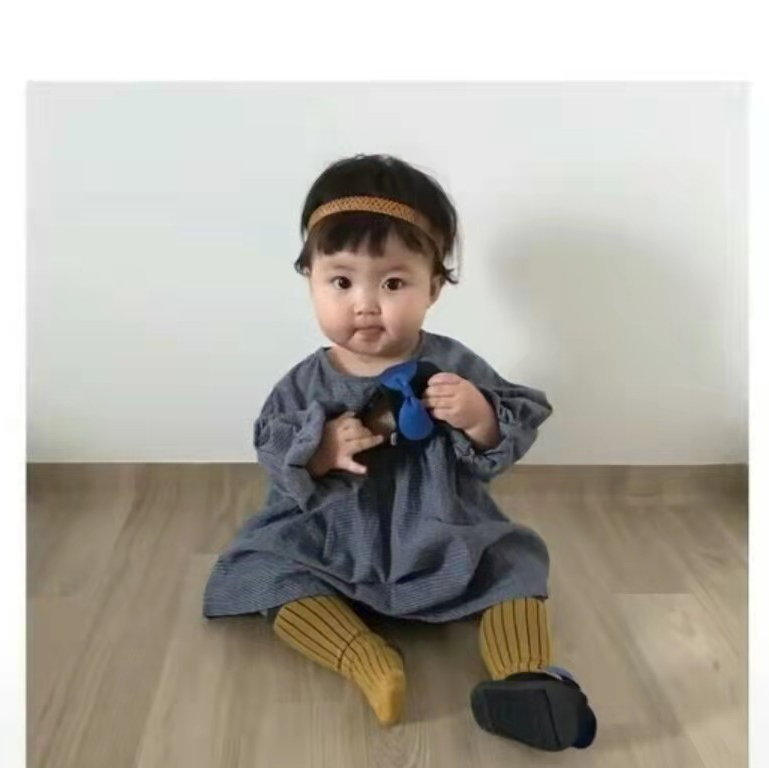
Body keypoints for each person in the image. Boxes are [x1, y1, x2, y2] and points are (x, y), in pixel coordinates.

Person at [203, 154, 596, 751]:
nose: (365, 303)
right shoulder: (306, 384)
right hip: (332, 536)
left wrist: (479, 416)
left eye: (392, 283)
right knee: (265, 568)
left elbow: (503, 439)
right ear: (310, 279)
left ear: (432, 287)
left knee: (514, 566)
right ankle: (365, 657)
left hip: (438, 529)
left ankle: (525, 679)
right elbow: (274, 449)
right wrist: (320, 450)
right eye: (342, 282)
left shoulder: (453, 365)